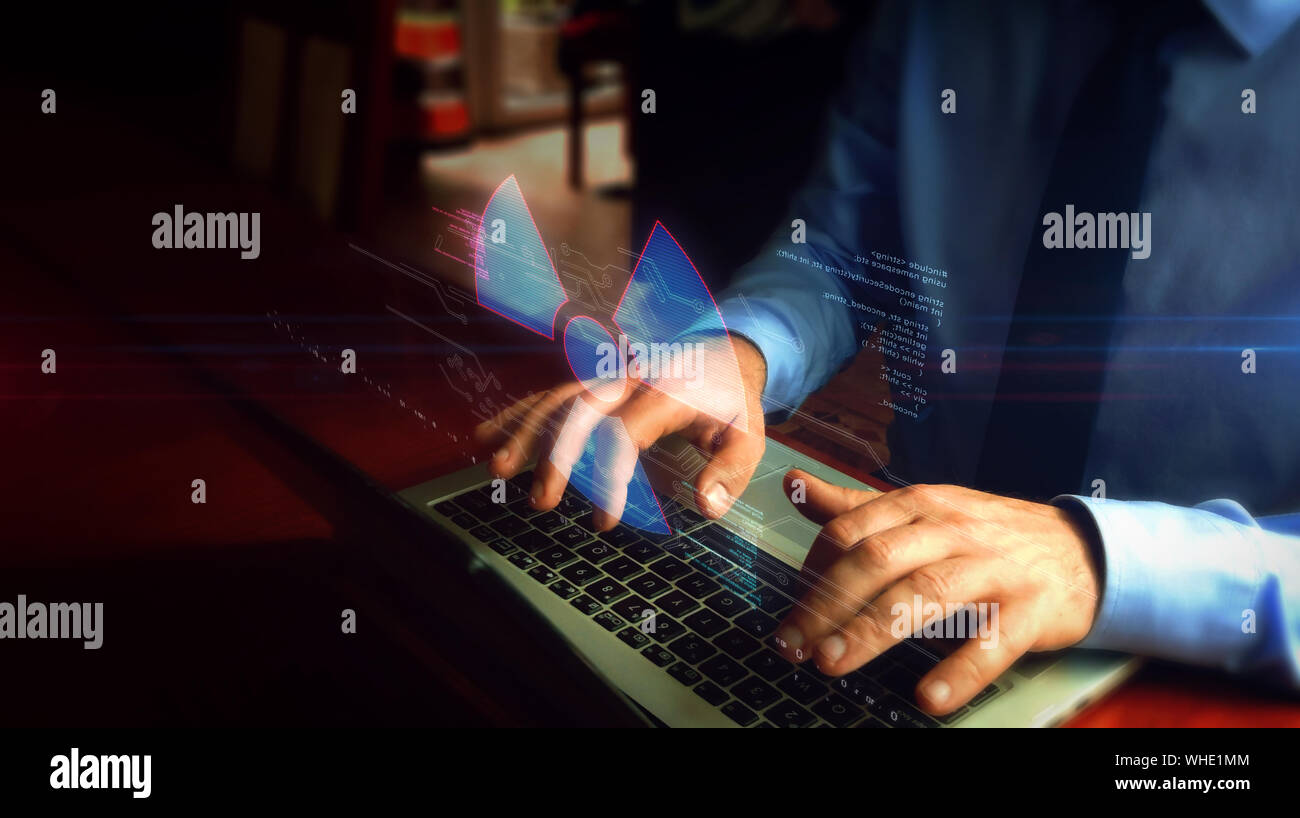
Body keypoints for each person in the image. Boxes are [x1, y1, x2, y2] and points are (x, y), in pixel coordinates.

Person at [476, 0, 1300, 715]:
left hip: (1183, 692)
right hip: (879, 582)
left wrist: (1098, 558)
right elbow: (845, 242)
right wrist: (742, 350)